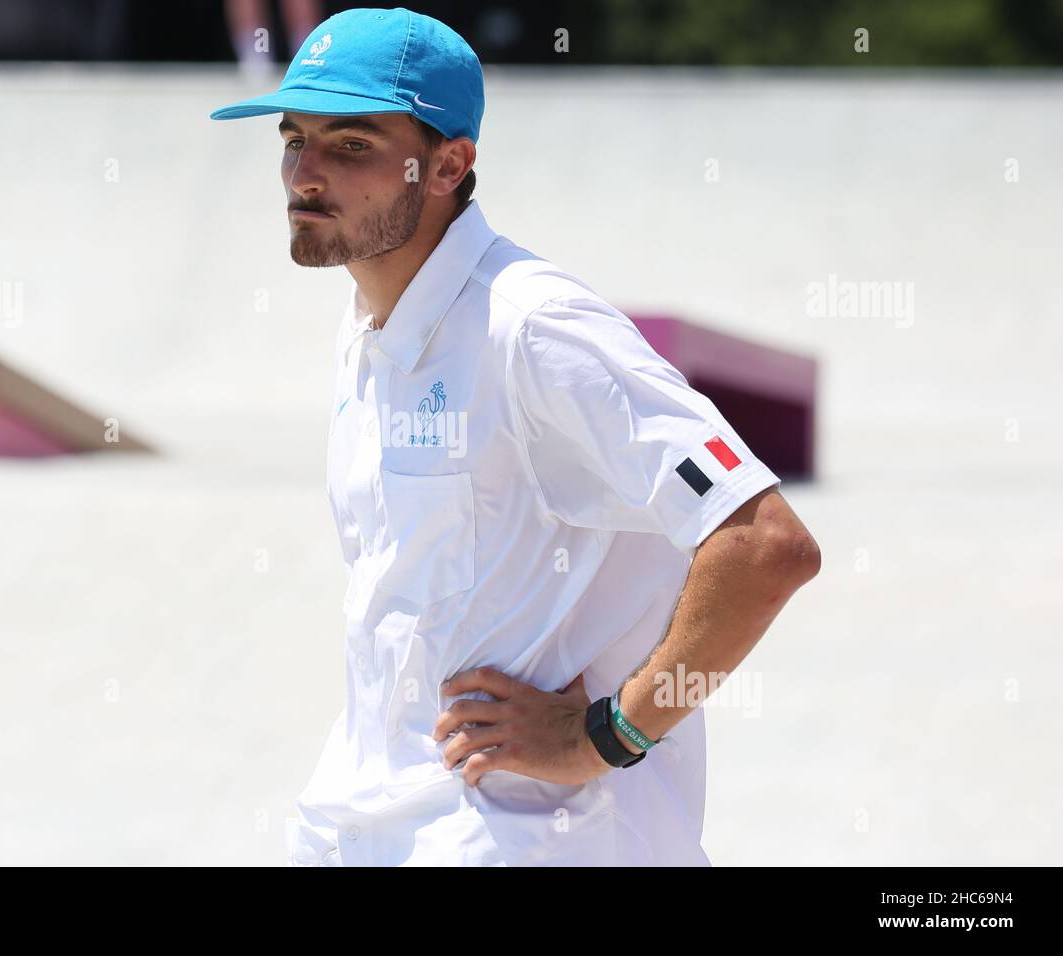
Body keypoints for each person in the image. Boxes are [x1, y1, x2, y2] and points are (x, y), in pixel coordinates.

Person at [210, 6, 821, 866]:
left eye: (349, 146)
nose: (304, 173)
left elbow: (765, 543)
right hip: (371, 827)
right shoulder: (369, 333)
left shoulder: (533, 327)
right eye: (292, 139)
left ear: (450, 164)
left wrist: (607, 735)